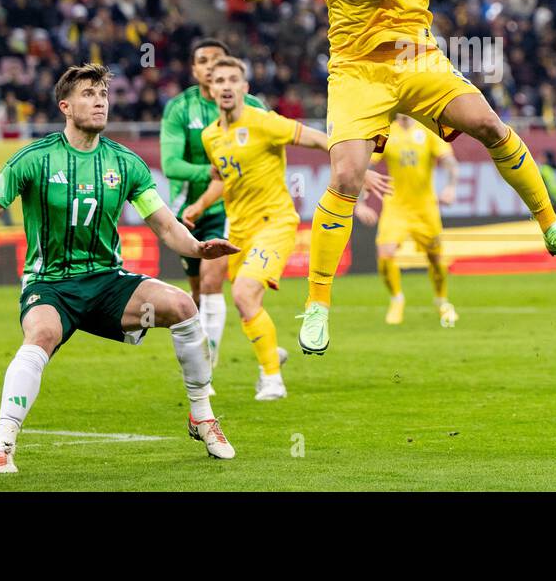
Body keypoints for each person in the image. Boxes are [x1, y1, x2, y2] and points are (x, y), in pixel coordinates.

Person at [240, 0, 556, 357]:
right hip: (358, 71)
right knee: (346, 175)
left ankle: (551, 226)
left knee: (491, 125)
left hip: (418, 59)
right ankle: (318, 303)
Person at [0, 63, 238, 473]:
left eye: (103, 93)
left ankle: (202, 415)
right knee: (42, 334)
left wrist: (196, 247)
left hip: (107, 281)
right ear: (65, 106)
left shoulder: (125, 164)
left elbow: (162, 223)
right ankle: (3, 443)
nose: (100, 100)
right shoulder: (34, 158)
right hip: (50, 284)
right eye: (89, 94)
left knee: (183, 306)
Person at [181, 57, 390, 398]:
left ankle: (272, 378)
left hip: (274, 223)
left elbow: (318, 139)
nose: (227, 86)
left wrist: (357, 169)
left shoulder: (264, 122)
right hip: (239, 229)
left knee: (243, 293)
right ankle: (271, 349)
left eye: (234, 79)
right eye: (220, 81)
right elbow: (223, 178)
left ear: (245, 88)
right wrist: (200, 205)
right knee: (247, 302)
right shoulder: (210, 136)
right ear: (211, 90)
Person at [160, 36, 270, 367]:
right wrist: (214, 171)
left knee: (212, 283)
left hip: (234, 208)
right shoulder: (180, 108)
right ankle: (263, 344)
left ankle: (206, 368)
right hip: (190, 211)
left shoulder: (252, 107)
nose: (211, 67)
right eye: (203, 61)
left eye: (217, 60)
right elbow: (171, 165)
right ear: (194, 70)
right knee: (196, 292)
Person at [366, 113, 460, 327]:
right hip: (395, 207)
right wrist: (361, 203)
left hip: (426, 208)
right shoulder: (386, 131)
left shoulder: (429, 130)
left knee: (435, 259)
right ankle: (396, 299)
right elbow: (366, 168)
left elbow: (450, 162)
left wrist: (452, 186)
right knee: (385, 252)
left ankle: (441, 301)